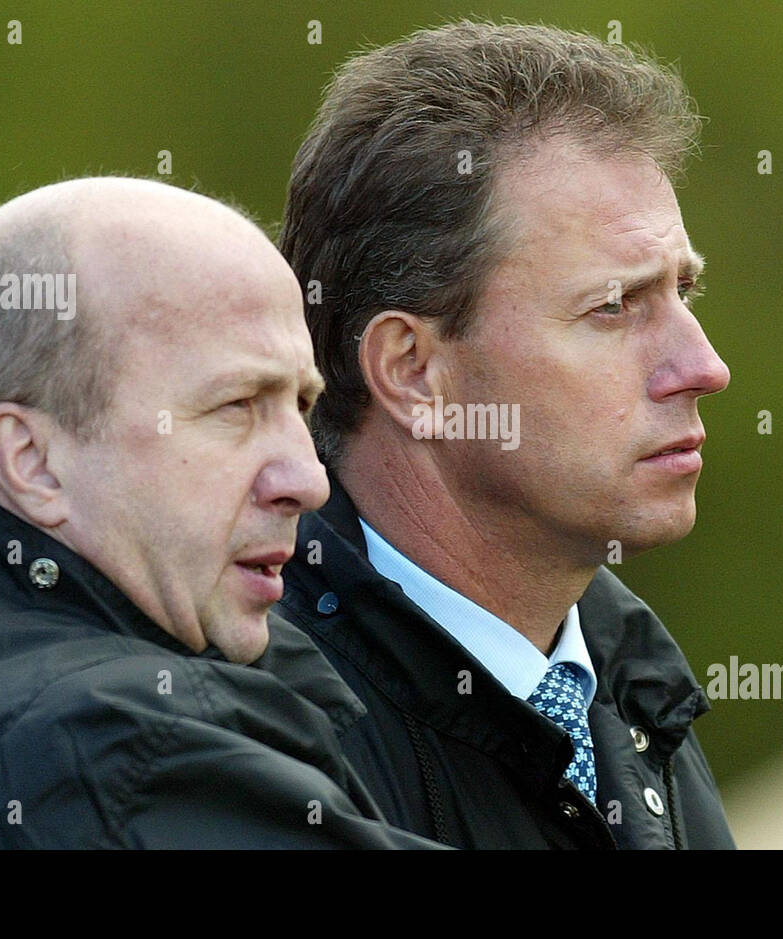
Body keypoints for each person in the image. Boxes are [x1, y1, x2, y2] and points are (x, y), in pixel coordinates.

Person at [0, 177, 437, 849]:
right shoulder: (123, 755)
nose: (309, 480)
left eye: (302, 405)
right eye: (236, 407)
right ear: (31, 461)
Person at [277, 22, 737, 848]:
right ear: (414, 371)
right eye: (614, 306)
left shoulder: (624, 685)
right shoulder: (266, 747)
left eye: (685, 291)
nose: (703, 366)